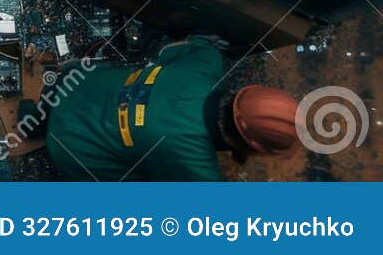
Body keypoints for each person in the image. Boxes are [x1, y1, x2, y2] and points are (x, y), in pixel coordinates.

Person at [46, 37, 300, 180]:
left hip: (72, 85)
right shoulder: (197, 169)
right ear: (251, 146)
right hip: (68, 149)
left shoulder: (203, 61)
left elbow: (170, 50)